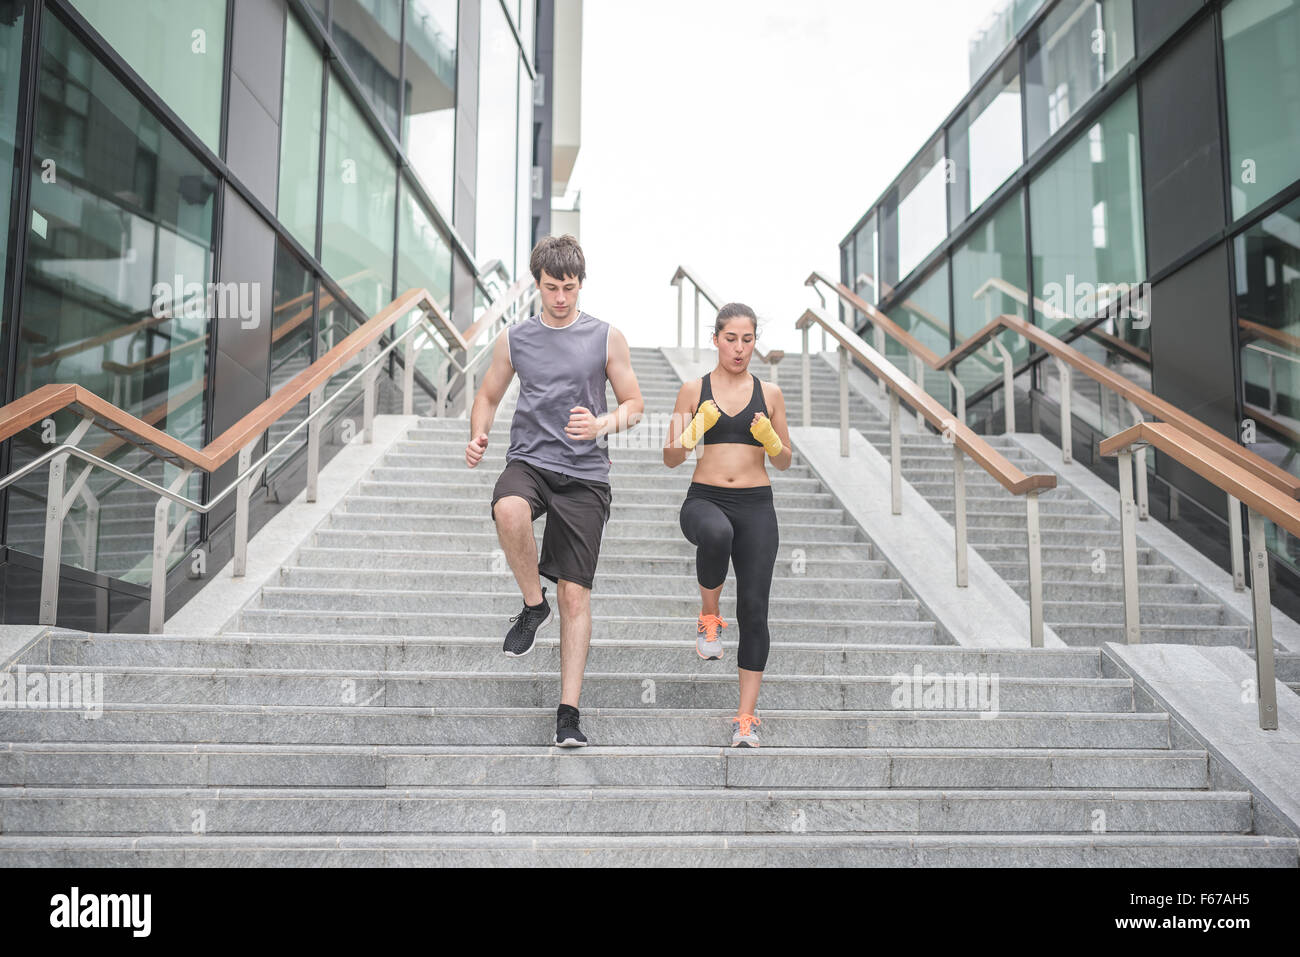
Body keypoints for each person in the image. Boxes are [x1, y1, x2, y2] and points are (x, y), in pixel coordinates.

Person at [465, 235, 643, 747]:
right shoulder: (515, 339)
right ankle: (530, 603)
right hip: (531, 462)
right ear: (537, 284)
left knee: (575, 594)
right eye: (551, 288)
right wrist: (478, 433)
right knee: (509, 508)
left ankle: (568, 714)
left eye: (568, 287)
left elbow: (635, 403)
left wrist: (604, 422)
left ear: (580, 284)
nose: (560, 297)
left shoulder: (607, 337)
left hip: (586, 476)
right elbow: (488, 394)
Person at [663, 303, 792, 747]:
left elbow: (786, 461)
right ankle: (709, 615)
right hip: (705, 498)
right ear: (715, 339)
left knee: (755, 610)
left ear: (755, 341)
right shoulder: (692, 389)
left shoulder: (770, 394)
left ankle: (745, 718)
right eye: (731, 338)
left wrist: (772, 440)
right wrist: (696, 426)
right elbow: (671, 457)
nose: (739, 348)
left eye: (748, 339)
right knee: (716, 534)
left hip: (757, 504)